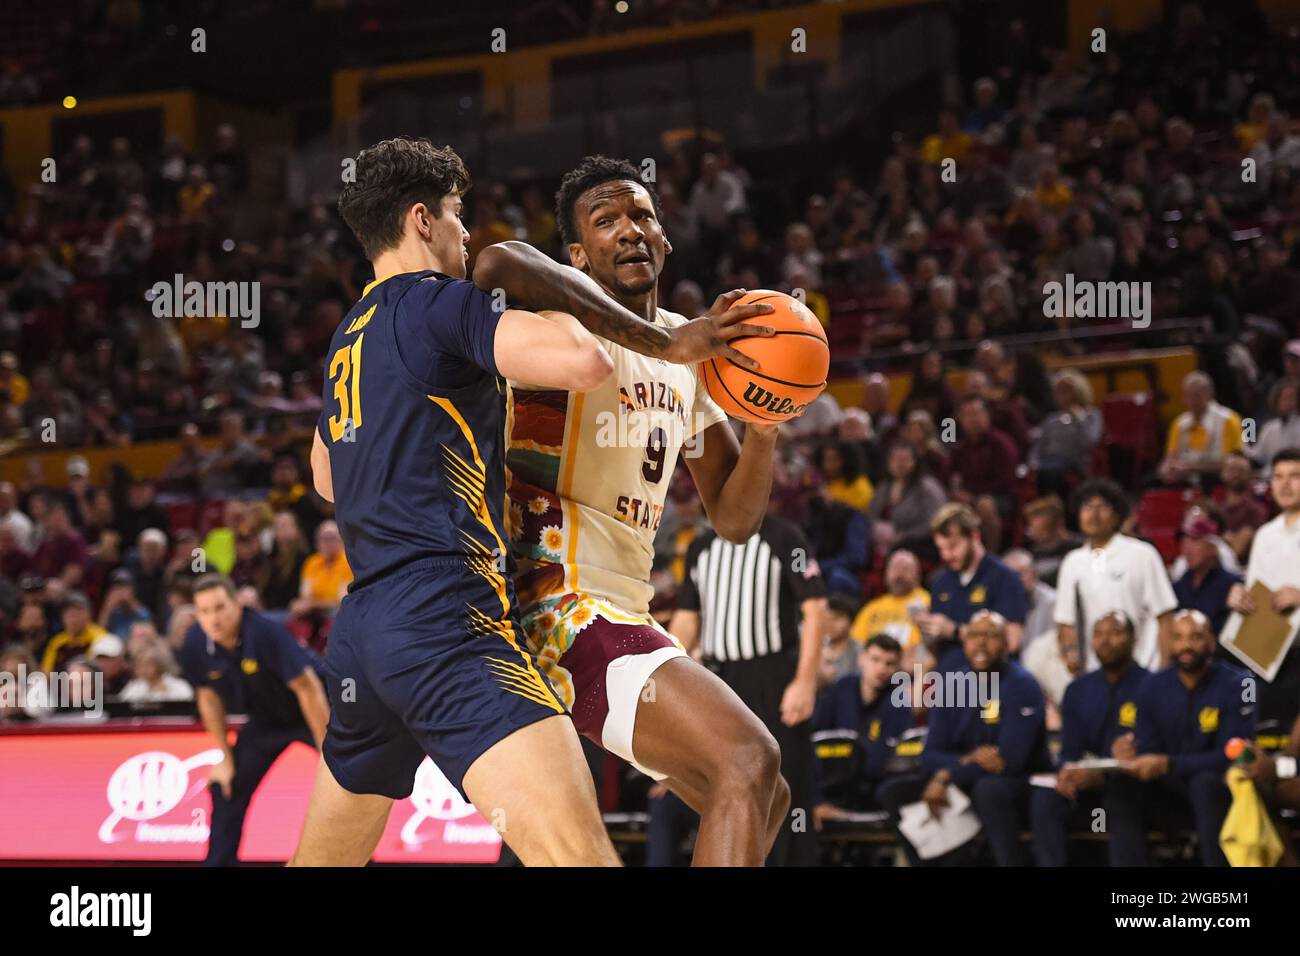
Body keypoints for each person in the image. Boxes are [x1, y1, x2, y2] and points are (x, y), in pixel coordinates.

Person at [291, 138, 748, 868]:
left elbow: (325, 477)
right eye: (456, 216)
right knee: (581, 858)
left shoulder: (349, 334)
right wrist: (584, 314)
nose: (466, 234)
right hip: (446, 618)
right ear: (421, 222)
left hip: (362, 630)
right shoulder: (439, 303)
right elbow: (584, 361)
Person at [494, 155, 798, 867]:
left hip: (624, 609)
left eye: (641, 216)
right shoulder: (558, 326)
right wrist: (665, 340)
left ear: (665, 239)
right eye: (606, 222)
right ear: (576, 255)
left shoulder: (688, 356)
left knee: (767, 794)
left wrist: (764, 424)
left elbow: (732, 517)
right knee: (747, 759)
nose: (630, 230)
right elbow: (498, 260)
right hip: (553, 602)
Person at [671, 502, 827, 866]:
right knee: (726, 780)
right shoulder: (700, 547)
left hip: (774, 675)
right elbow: (686, 619)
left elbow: (815, 608)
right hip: (720, 679)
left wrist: (804, 682)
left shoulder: (787, 538)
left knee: (786, 784)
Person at [180, 574, 330, 865]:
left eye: (220, 607)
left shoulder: (265, 632)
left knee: (344, 784)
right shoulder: (196, 643)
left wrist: (328, 752)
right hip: (265, 721)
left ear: (237, 604)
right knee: (227, 784)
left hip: (316, 710)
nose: (214, 618)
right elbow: (208, 699)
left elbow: (308, 688)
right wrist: (224, 755)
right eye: (205, 611)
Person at [878, 610, 1047, 866]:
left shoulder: (1022, 685)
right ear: (964, 641)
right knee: (893, 792)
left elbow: (1009, 761)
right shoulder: (952, 684)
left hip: (1020, 784)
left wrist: (947, 775)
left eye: (991, 636)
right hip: (965, 779)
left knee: (988, 789)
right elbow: (929, 755)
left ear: (1006, 644)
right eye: (974, 635)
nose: (980, 642)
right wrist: (962, 764)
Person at [1107, 610, 1256, 866]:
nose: (1186, 645)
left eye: (1196, 637)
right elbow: (1148, 746)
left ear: (1211, 642)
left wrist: (1170, 763)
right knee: (1121, 789)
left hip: (1221, 793)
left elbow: (1235, 753)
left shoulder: (1240, 683)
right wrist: (1130, 752)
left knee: (1205, 784)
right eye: (1178, 637)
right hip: (1169, 794)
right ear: (1169, 643)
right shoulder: (1152, 686)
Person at [1029, 611, 1150, 866]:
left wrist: (1103, 776)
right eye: (1099, 634)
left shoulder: (1153, 687)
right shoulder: (1078, 690)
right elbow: (1069, 750)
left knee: (1120, 795)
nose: (1106, 641)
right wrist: (1068, 773)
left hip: (1134, 790)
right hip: (1088, 795)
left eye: (1115, 633)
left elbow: (1152, 749)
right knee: (1046, 799)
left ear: (1133, 639)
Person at [1054, 479, 1176, 671]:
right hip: (1095, 673)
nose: (1094, 515)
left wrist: (1165, 668)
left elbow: (1165, 616)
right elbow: (1066, 622)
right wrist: (1070, 654)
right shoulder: (1072, 562)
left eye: (1103, 507)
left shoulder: (1142, 555)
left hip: (1144, 668)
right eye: (1087, 507)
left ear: (1117, 515)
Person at [1226, 448, 1300, 734]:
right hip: (1269, 655)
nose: (1285, 484)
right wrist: (1240, 599)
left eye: (1295, 476)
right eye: (1278, 477)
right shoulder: (1265, 534)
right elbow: (1255, 593)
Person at [812, 634, 913, 823]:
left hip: (874, 789)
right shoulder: (842, 689)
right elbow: (814, 738)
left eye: (889, 663)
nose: (881, 668)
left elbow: (890, 758)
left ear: (898, 668)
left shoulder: (898, 701)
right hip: (831, 783)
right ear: (862, 659)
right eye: (875, 660)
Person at [919, 502, 1026, 672]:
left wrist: (954, 631)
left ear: (974, 537)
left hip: (988, 683)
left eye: (953, 546)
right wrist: (927, 630)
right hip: (947, 683)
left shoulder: (1004, 578)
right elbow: (934, 653)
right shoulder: (941, 582)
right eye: (941, 548)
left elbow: (1012, 642)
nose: (947, 555)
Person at [1158, 371, 1244, 488]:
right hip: (1184, 477)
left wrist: (1190, 468)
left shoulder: (1229, 420)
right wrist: (1166, 469)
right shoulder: (1179, 423)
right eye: (1188, 395)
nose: (1192, 401)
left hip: (1215, 477)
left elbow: (1233, 464)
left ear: (1210, 394)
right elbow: (1170, 458)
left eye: (1197, 395)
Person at [849, 549, 929, 664]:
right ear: (886, 573)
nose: (899, 574)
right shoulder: (872, 607)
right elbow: (856, 643)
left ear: (917, 575)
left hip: (908, 666)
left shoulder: (926, 602)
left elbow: (926, 648)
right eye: (895, 568)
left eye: (905, 569)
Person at [1172, 510, 1242, 634]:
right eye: (1184, 541)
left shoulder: (1232, 586)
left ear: (1212, 547)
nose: (1187, 549)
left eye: (1195, 540)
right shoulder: (1178, 587)